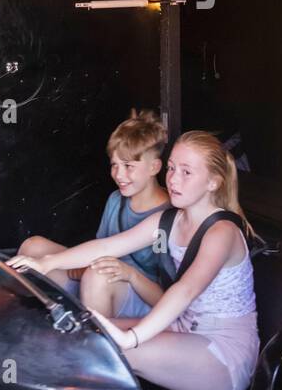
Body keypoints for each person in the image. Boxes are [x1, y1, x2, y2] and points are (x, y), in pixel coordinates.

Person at [15, 131, 259, 390]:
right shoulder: (169, 221)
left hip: (223, 349)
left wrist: (132, 337)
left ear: (213, 182)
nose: (173, 179)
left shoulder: (221, 231)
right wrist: (46, 262)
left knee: (105, 352)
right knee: (85, 336)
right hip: (181, 327)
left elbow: (186, 290)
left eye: (186, 172)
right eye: (172, 168)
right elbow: (108, 246)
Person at [16, 108, 168, 320]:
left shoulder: (169, 214)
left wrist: (108, 271)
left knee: (97, 276)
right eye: (114, 165)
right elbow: (101, 248)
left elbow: (169, 294)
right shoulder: (116, 199)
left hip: (143, 298)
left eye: (128, 166)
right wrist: (75, 265)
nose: (119, 174)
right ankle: (40, 327)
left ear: (154, 167)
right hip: (101, 275)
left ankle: (94, 342)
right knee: (33, 246)